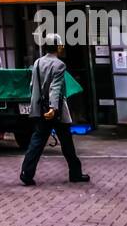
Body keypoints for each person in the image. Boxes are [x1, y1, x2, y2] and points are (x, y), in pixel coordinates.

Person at [20, 35, 90, 186]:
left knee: (37, 141)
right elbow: (55, 88)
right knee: (66, 142)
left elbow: (33, 85)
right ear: (57, 46)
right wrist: (53, 108)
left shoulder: (38, 62)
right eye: (61, 44)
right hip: (55, 110)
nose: (63, 46)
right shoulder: (59, 65)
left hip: (41, 108)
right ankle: (75, 173)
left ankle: (26, 172)